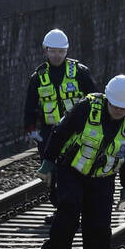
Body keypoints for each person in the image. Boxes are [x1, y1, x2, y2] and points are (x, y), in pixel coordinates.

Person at [37, 74, 125, 249]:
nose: (118, 111)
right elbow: (60, 132)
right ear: (107, 99)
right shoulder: (86, 108)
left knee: (99, 228)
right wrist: (48, 163)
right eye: (114, 106)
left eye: (123, 107)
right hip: (71, 172)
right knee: (68, 211)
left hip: (102, 181)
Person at [23, 28, 96, 220]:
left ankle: (78, 208)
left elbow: (95, 98)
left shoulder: (80, 72)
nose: (57, 55)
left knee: (78, 169)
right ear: (45, 51)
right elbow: (30, 107)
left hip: (77, 131)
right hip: (49, 133)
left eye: (61, 51)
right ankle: (61, 209)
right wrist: (31, 131)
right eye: (53, 51)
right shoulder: (38, 77)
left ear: (67, 51)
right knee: (51, 173)